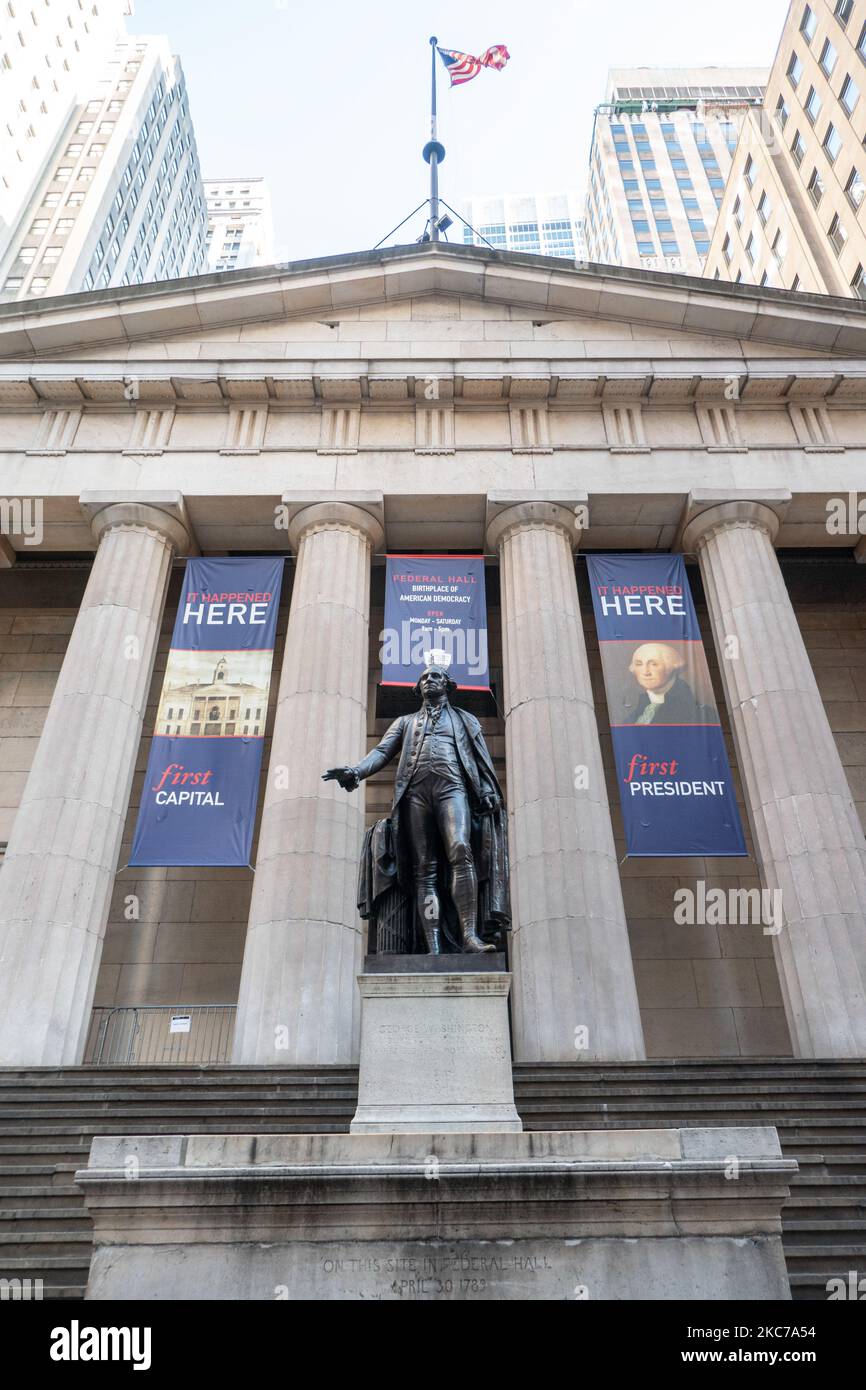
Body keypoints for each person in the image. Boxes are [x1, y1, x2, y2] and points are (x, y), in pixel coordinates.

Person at [323, 664, 508, 954]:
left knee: (460, 848)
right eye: (423, 677)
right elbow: (382, 751)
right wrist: (356, 771)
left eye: (435, 676)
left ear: (448, 685)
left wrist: (486, 790)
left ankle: (469, 936)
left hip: (453, 788)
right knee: (425, 869)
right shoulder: (405, 722)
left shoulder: (465, 720)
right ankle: (433, 946)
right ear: (417, 687)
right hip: (415, 795)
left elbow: (480, 761)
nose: (428, 680)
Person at [622, 642, 718, 725]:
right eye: (639, 664)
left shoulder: (703, 714)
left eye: (654, 664)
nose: (645, 672)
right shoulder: (632, 716)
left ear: (671, 667)